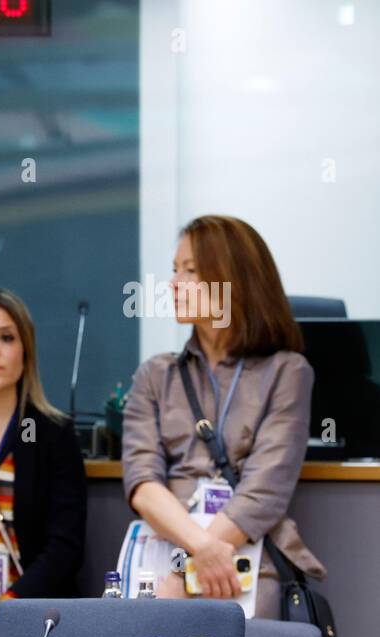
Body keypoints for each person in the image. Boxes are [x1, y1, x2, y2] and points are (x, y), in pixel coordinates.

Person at [122, 215, 324, 615]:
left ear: (233, 280)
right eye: (174, 270)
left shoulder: (287, 372)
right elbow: (142, 483)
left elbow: (265, 490)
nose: (173, 285)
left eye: (191, 271)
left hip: (248, 553)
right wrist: (196, 555)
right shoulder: (155, 374)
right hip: (165, 555)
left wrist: (204, 559)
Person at [0, 288, 86, 602]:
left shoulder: (54, 434)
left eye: (6, 338)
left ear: (26, 350)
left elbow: (65, 548)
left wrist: (8, 608)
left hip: (31, 615)